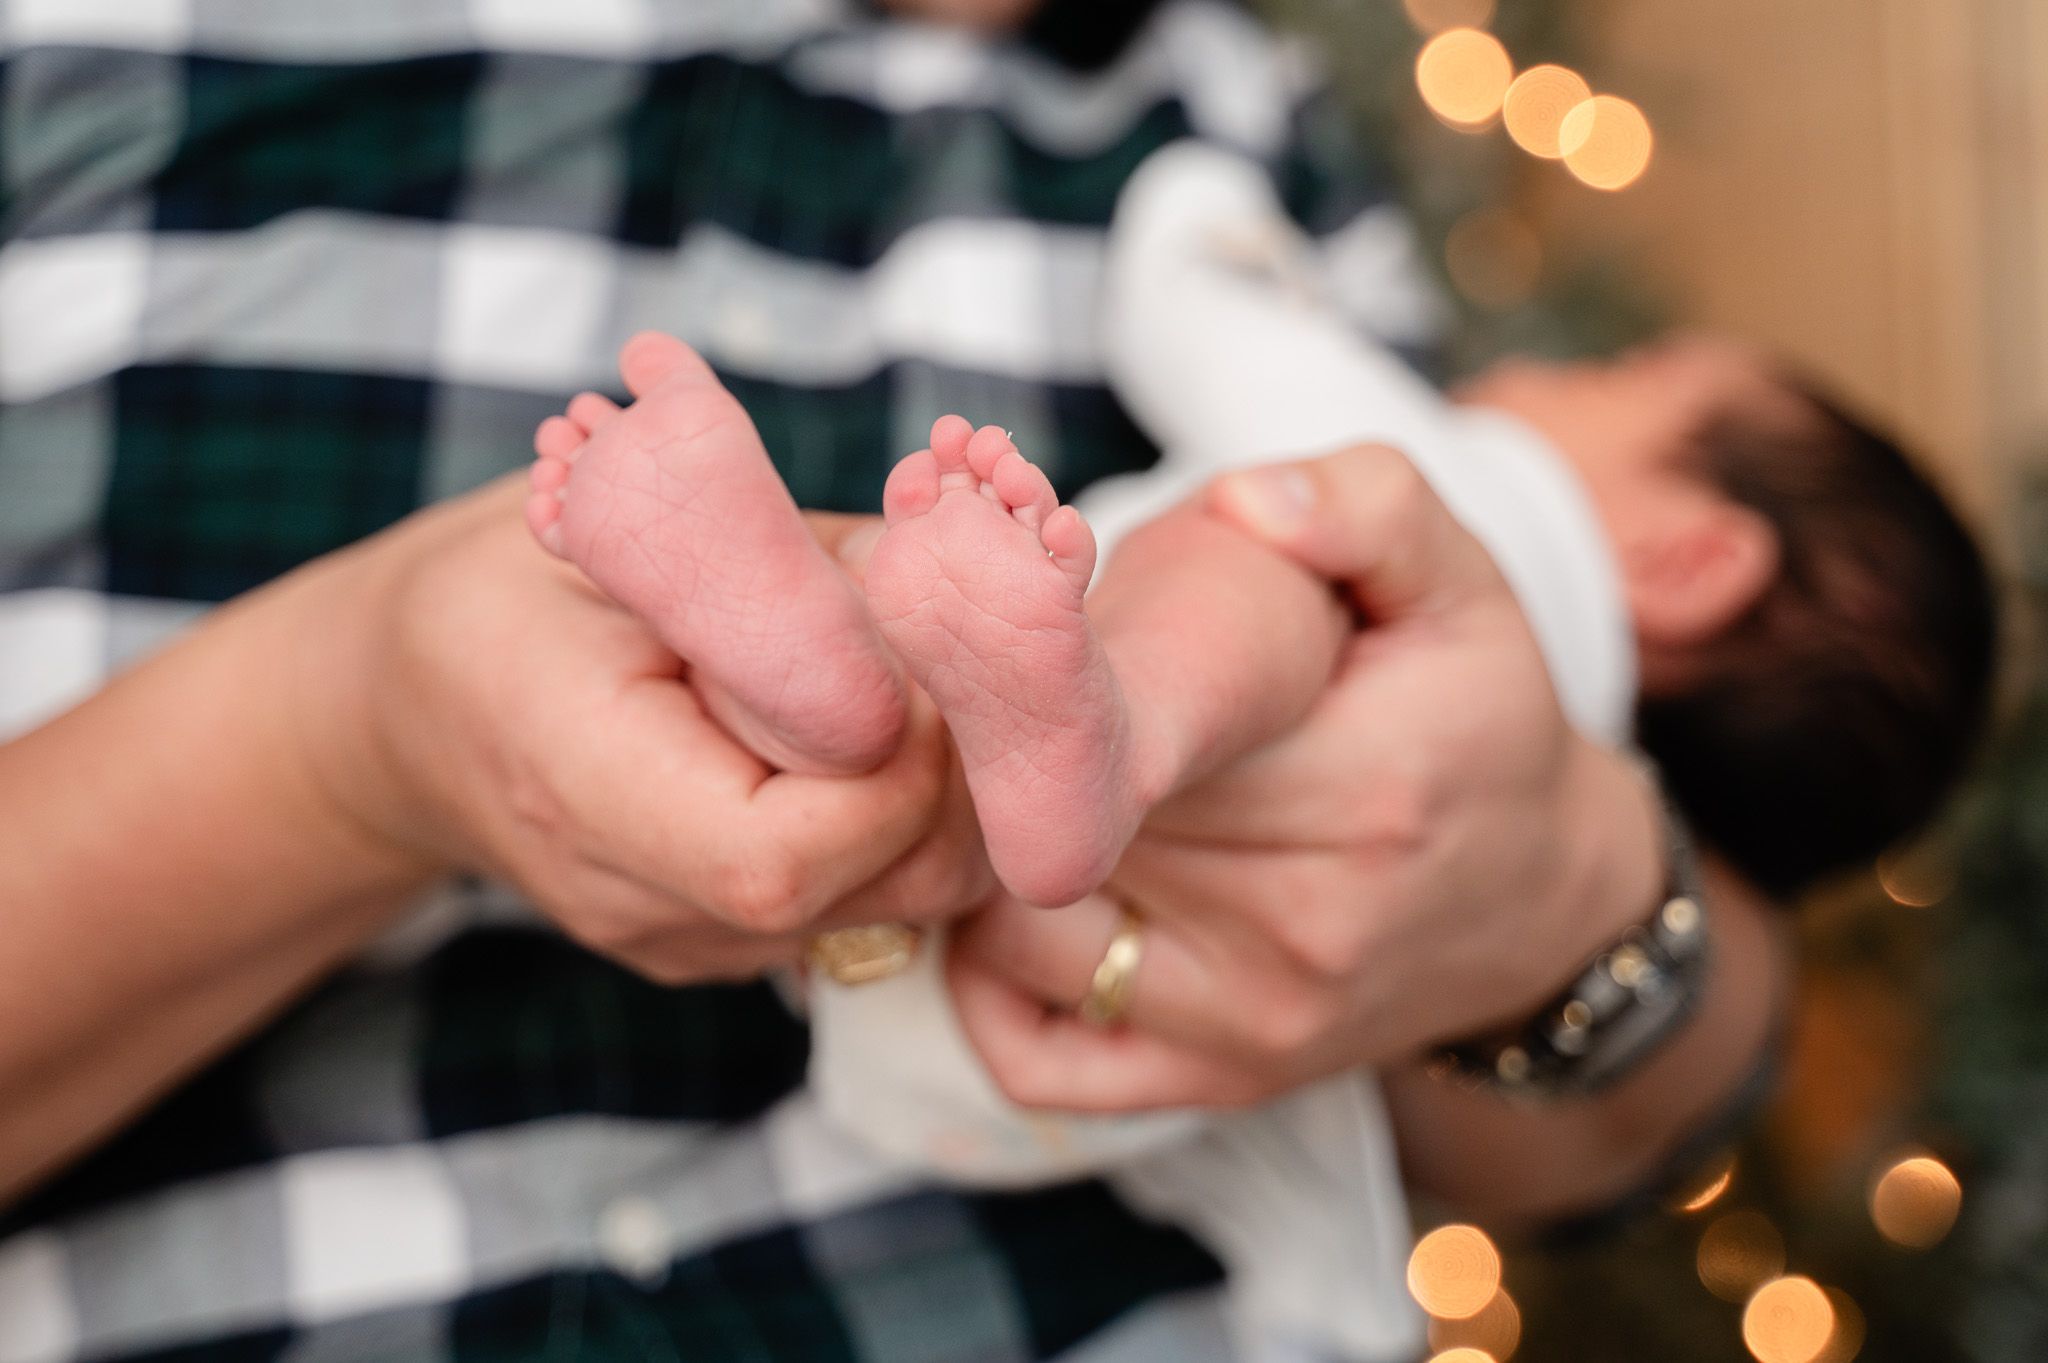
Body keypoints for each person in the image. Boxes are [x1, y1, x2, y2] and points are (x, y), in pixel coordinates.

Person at [0, 2, 1801, 1360]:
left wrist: (1569, 902)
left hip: (1023, 1059)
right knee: (1242, 588)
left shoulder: (1231, 119)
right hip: (1027, 1088)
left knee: (1267, 565)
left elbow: (1666, 1086)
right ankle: (1063, 732)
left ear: (1704, 560)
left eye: (1627, 371)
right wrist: (346, 734)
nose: (1545, 381)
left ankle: (850, 701)